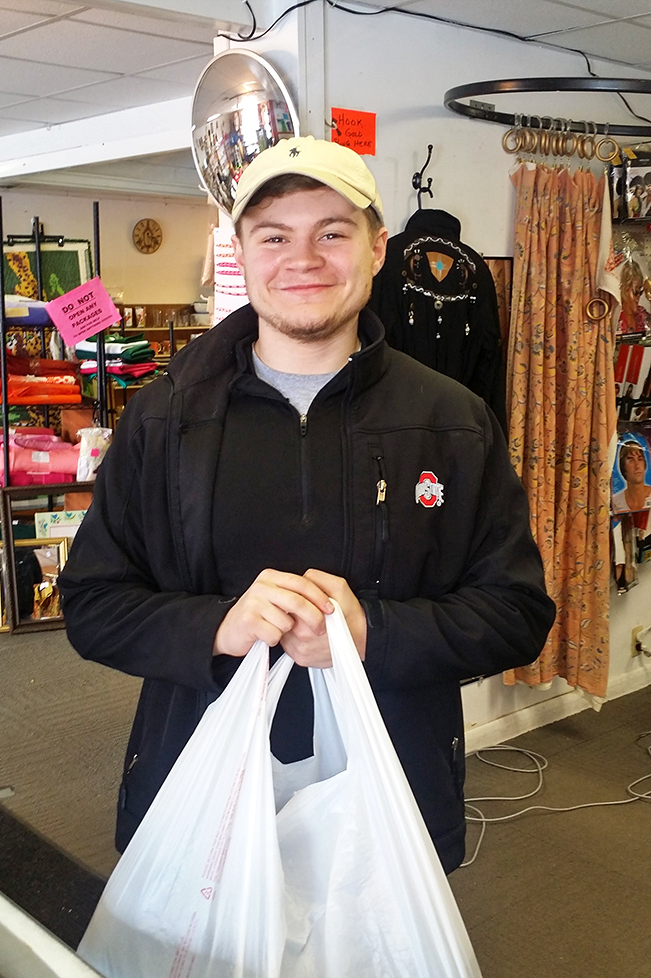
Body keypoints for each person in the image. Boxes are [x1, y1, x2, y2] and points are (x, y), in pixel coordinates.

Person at [59, 136, 555, 875]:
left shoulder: (454, 420)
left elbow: (516, 614)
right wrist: (216, 626)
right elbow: (94, 603)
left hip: (391, 804)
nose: (304, 258)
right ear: (243, 252)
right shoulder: (165, 419)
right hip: (198, 797)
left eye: (332, 232)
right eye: (275, 235)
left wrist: (372, 633)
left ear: (378, 246)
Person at [612, 440, 651, 513]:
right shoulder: (616, 502)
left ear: (645, 465)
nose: (637, 466)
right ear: (623, 467)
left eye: (640, 459)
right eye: (631, 461)